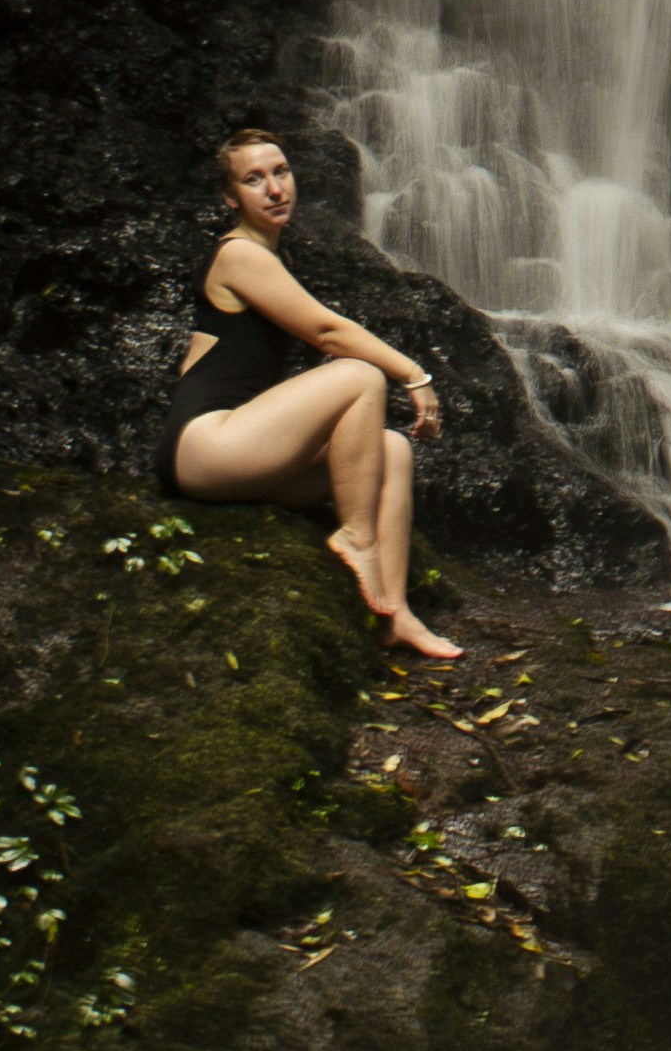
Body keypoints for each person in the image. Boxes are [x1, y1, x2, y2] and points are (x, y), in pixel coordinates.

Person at [161, 125, 462, 661]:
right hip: (205, 443)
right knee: (361, 375)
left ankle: (396, 616)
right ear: (230, 198)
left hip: (243, 444)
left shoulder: (273, 258)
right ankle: (354, 537)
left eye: (281, 172)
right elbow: (325, 332)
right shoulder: (237, 255)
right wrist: (413, 374)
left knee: (392, 449)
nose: (275, 188)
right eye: (254, 180)